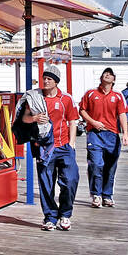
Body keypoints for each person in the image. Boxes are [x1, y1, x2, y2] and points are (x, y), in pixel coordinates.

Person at [17, 67, 79, 231]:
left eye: (49, 79)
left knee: (70, 181)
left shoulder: (66, 99)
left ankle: (65, 215)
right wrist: (35, 118)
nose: (45, 81)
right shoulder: (35, 98)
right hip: (44, 147)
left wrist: (72, 143)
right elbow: (24, 119)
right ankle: (50, 217)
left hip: (64, 146)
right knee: (46, 183)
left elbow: (73, 121)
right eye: (44, 78)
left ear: (56, 82)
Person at [79, 67, 128, 208]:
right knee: (96, 164)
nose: (107, 75)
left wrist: (125, 133)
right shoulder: (90, 93)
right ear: (101, 78)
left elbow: (122, 114)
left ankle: (107, 195)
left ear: (113, 80)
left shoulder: (118, 96)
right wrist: (93, 122)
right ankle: (96, 194)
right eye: (105, 73)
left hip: (112, 134)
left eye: (110, 74)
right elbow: (82, 110)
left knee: (110, 166)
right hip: (94, 134)